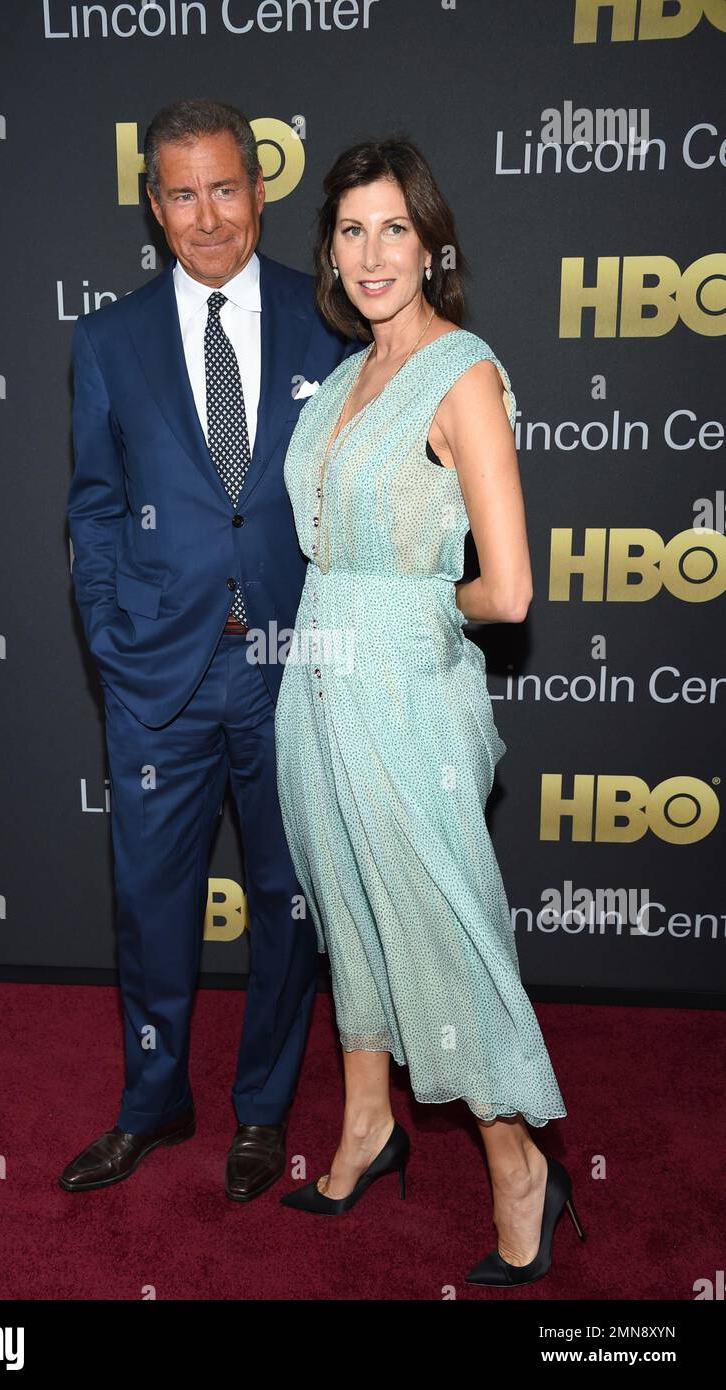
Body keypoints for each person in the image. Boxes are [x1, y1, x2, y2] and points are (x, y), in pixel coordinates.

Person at [273, 138, 583, 1286]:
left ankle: (520, 1166)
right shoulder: (347, 368)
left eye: (393, 227)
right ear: (329, 251)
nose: (371, 252)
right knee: (348, 918)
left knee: (440, 934)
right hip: (317, 693)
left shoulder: (459, 373)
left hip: (405, 694)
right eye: (350, 230)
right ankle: (366, 1123)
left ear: (431, 240)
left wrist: (404, 610)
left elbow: (505, 590)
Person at [61, 99, 357, 1203]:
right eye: (180, 193)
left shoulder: (325, 314)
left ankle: (263, 1110)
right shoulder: (107, 338)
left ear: (258, 188)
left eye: (223, 188)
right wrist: (110, 636)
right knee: (149, 898)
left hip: (291, 666)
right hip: (159, 673)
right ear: (153, 204)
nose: (205, 214)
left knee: (287, 901)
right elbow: (93, 507)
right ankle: (153, 1100)